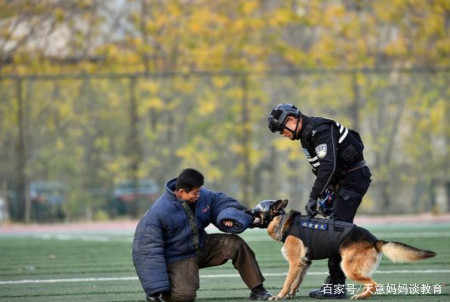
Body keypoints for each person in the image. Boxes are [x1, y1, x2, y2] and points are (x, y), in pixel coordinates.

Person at [267, 103, 372, 299]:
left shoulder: (319, 130)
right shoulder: (306, 137)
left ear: (291, 120)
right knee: (334, 226)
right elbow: (321, 169)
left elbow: (328, 167)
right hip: (342, 181)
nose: (283, 134)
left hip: (353, 178)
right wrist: (326, 194)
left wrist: (314, 196)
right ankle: (335, 282)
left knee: (338, 229)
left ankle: (336, 286)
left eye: (282, 129)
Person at [132, 168, 271, 302]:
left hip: (201, 244)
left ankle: (258, 290)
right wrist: (154, 291)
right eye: (195, 193)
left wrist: (230, 216)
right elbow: (146, 249)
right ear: (181, 192)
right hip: (179, 256)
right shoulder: (158, 212)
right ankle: (168, 287)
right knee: (184, 296)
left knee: (236, 244)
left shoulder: (202, 195)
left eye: (199, 191)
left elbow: (220, 203)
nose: (199, 195)